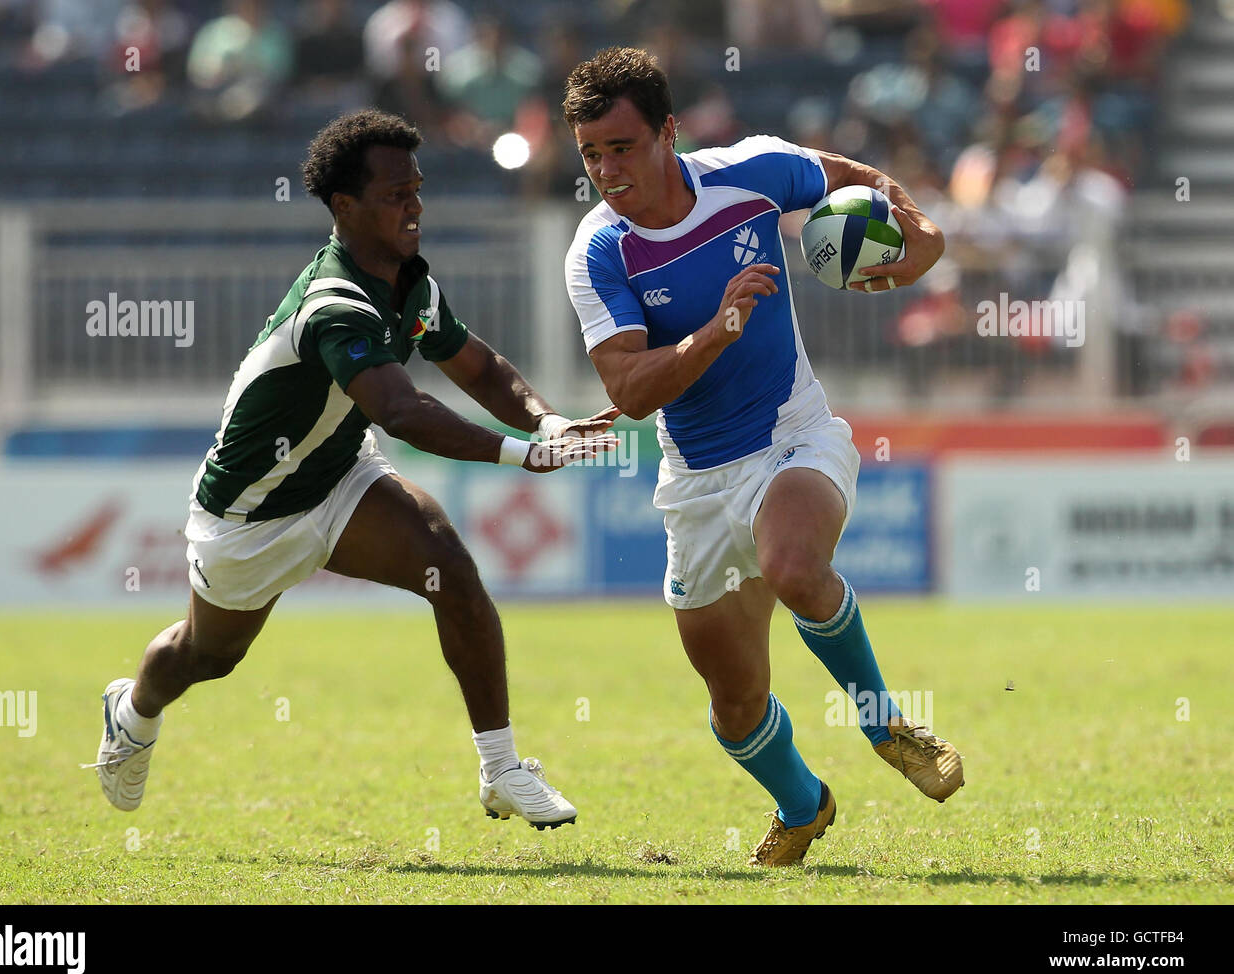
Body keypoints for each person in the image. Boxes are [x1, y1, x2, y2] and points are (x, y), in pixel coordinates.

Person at [88, 109, 617, 832]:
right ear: (345, 207)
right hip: (252, 513)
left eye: (418, 188)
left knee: (450, 569)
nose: (415, 205)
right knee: (206, 657)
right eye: (396, 193)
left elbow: (480, 366)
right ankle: (133, 710)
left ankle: (501, 768)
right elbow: (399, 410)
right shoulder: (333, 303)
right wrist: (523, 453)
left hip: (339, 478)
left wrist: (546, 421)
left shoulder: (409, 287)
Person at [562, 48, 963, 867]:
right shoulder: (599, 252)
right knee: (735, 703)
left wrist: (918, 238)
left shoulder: (752, 172)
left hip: (793, 435)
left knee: (794, 565)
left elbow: (859, 178)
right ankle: (803, 804)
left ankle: (887, 723)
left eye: (622, 147)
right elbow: (632, 391)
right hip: (696, 480)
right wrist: (718, 326)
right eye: (590, 154)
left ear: (669, 132)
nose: (607, 170)